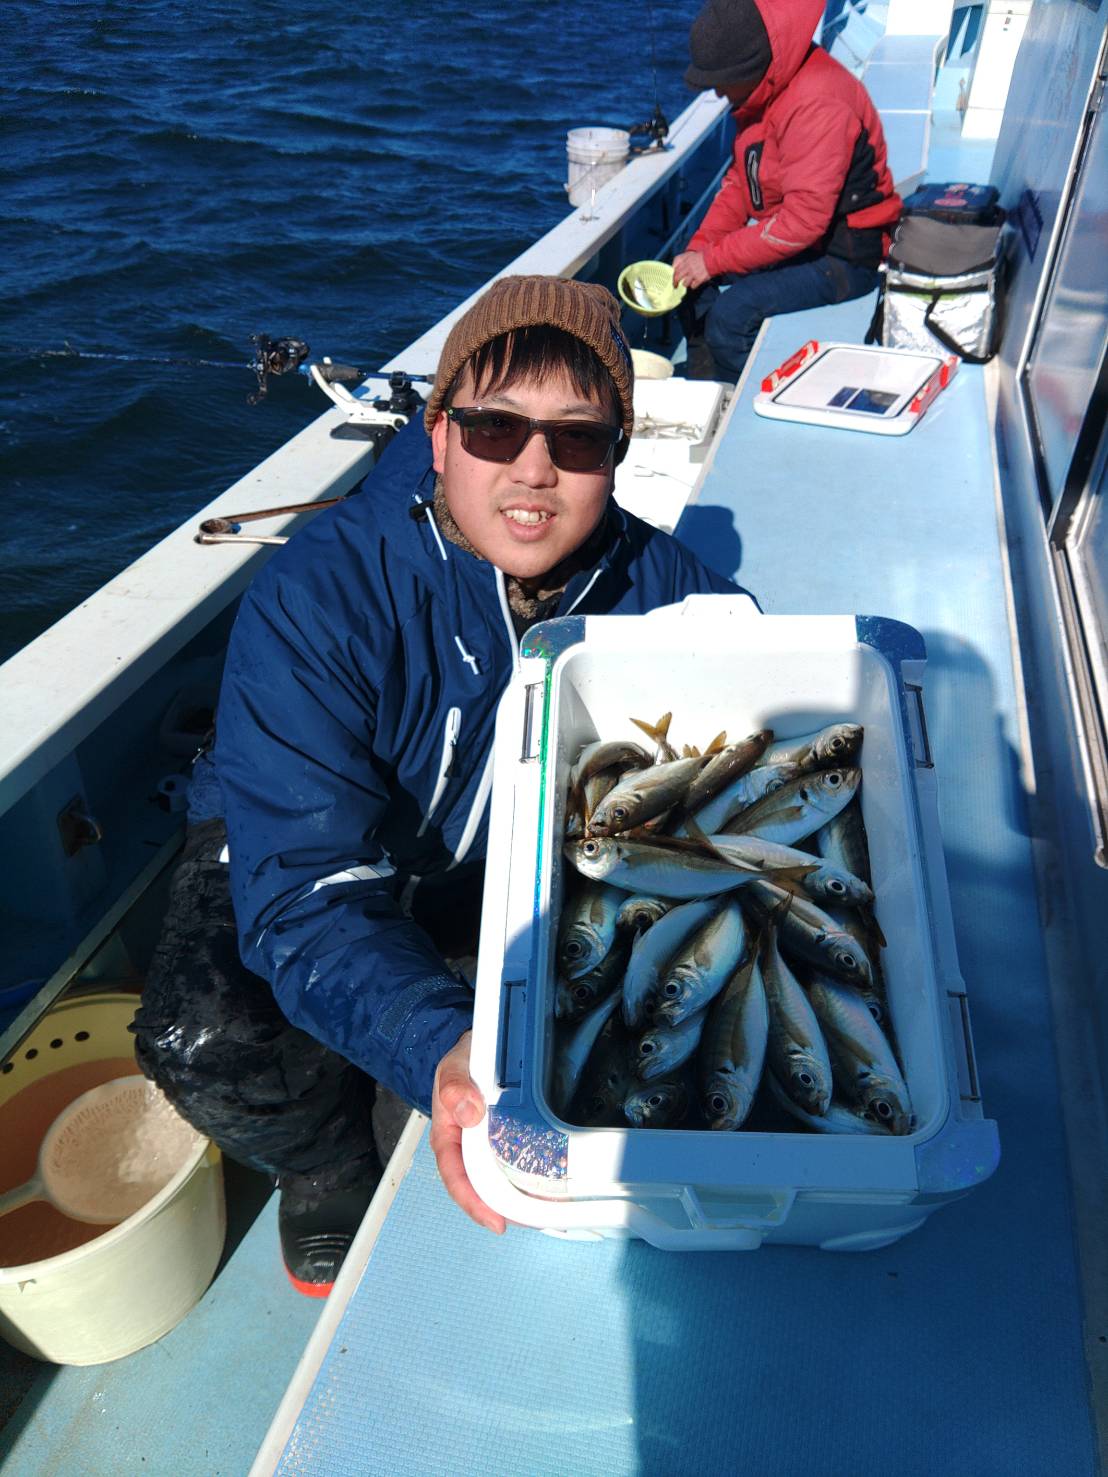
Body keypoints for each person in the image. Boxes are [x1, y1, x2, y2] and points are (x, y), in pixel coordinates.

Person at [131, 274, 747, 1294]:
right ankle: (320, 1160)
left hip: (496, 864)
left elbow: (747, 710)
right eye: (496, 428)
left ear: (617, 455)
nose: (534, 471)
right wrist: (438, 1044)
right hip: (304, 843)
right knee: (202, 1033)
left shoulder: (670, 595)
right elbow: (302, 886)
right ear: (439, 432)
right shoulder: (319, 585)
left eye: (579, 439)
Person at [672, 0, 901, 383]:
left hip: (846, 256)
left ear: (747, 68)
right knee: (691, 290)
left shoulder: (817, 101)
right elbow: (738, 184)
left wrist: (713, 260)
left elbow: (803, 222)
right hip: (801, 244)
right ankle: (705, 390)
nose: (716, 93)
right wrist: (700, 249)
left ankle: (739, 403)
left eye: (718, 81)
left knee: (731, 316)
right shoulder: (764, 89)